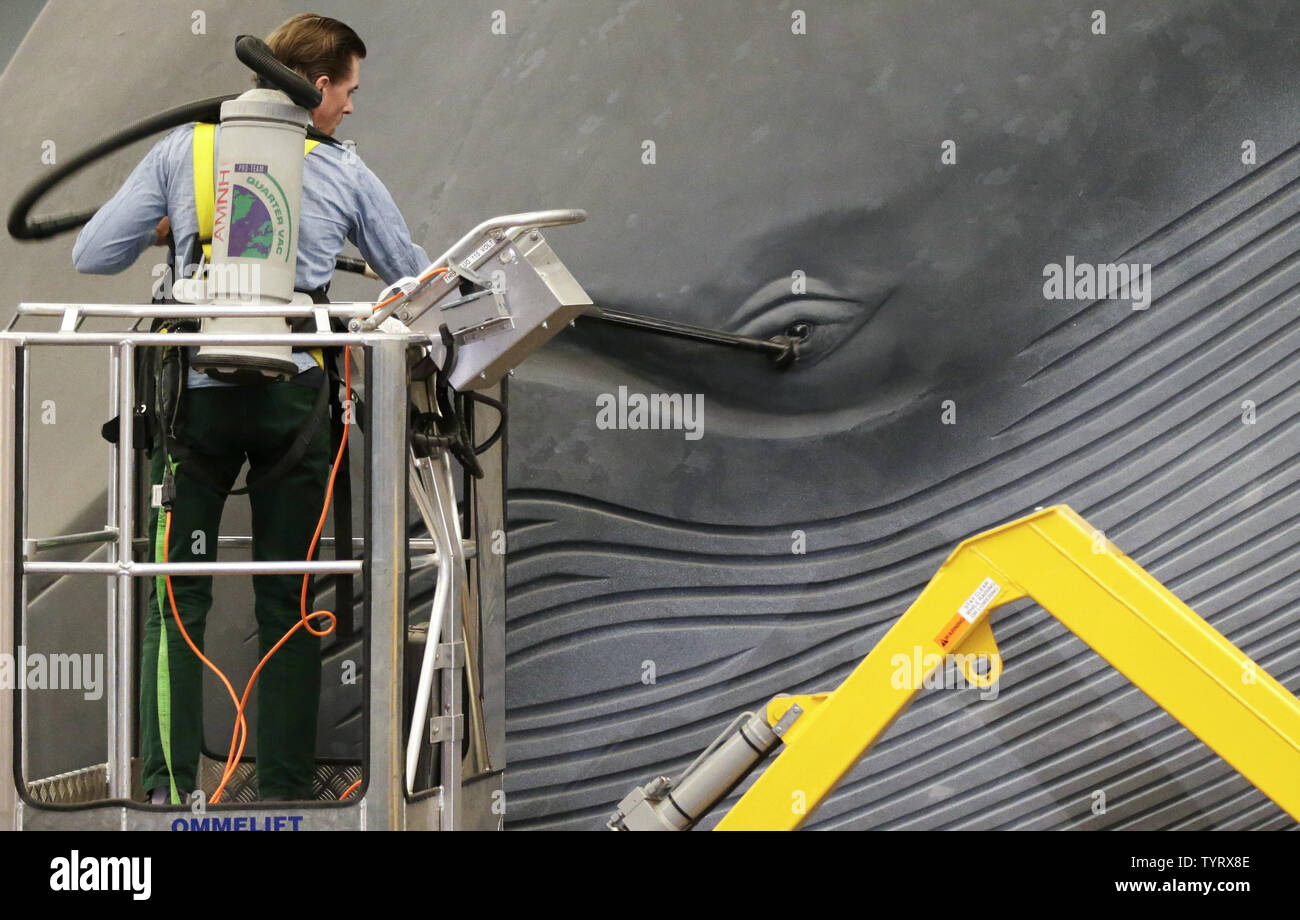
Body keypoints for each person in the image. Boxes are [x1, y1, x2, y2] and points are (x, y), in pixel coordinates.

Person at [72, 13, 429, 803]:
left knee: (176, 595)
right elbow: (413, 279)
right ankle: (287, 793)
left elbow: (91, 253)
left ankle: (165, 794)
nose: (351, 107)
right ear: (318, 84)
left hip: (191, 406)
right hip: (296, 409)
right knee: (292, 600)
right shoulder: (342, 168)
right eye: (349, 90)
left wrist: (171, 225)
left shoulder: (184, 149)